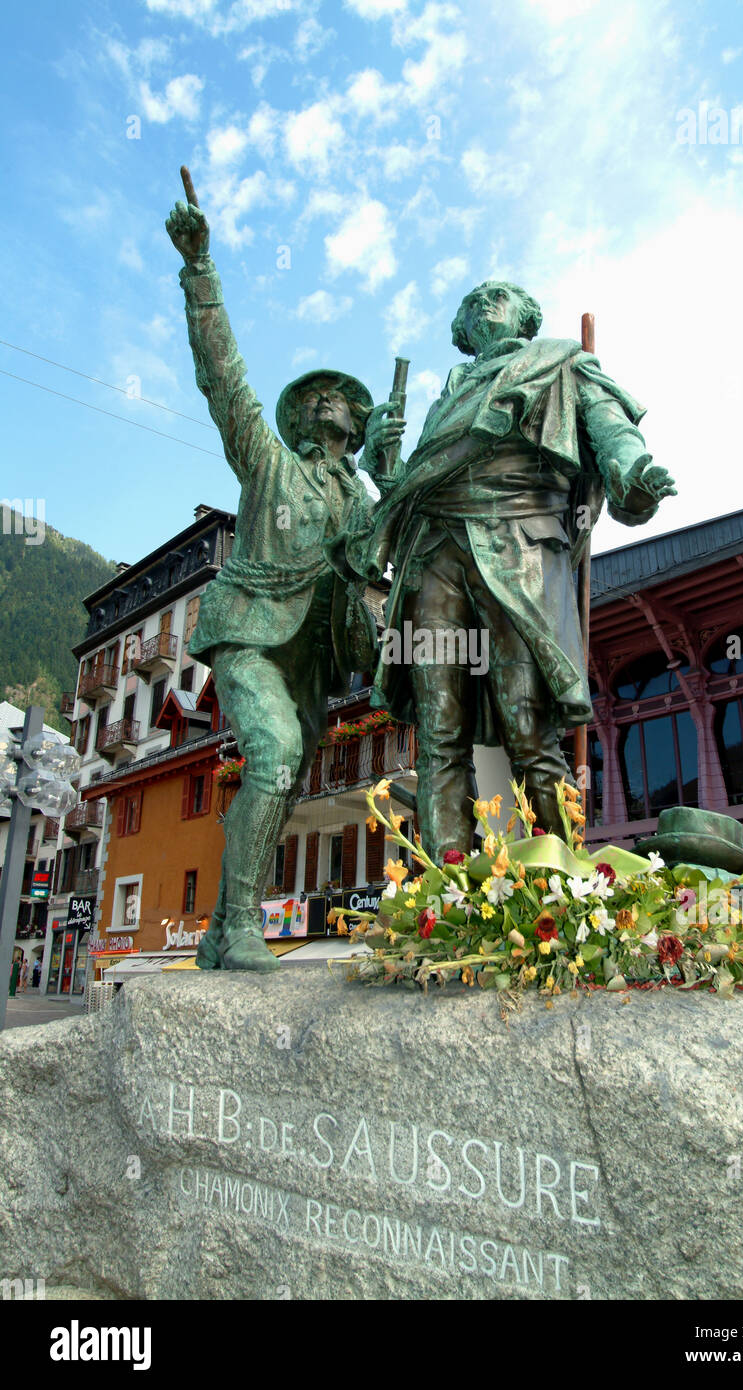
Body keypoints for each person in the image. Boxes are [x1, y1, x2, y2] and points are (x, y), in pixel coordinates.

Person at [352, 280, 676, 859]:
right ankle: (443, 888)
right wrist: (382, 463)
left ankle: (563, 880)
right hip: (434, 550)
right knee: (438, 732)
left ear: (525, 316)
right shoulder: (448, 396)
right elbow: (410, 489)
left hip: (518, 541)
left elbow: (610, 427)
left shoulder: (556, 362)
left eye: (498, 295)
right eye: (472, 301)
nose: (484, 303)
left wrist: (633, 470)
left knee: (529, 726)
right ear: (462, 330)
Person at [166, 190, 376, 972]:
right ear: (299, 421)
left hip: (313, 659)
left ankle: (222, 931)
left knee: (281, 786)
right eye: (320, 395)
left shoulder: (363, 497)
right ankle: (244, 926)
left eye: (347, 403)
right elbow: (224, 380)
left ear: (357, 431)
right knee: (278, 750)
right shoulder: (268, 460)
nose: (333, 403)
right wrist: (200, 271)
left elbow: (377, 569)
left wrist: (388, 475)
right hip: (251, 629)